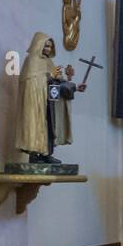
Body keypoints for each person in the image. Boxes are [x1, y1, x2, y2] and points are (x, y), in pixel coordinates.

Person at [17, 32, 84, 164]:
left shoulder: (48, 62)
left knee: (50, 127)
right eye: (45, 46)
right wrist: (47, 79)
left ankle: (47, 154)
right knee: (35, 127)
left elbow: (56, 81)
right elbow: (30, 82)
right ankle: (35, 155)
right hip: (35, 102)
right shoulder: (31, 61)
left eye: (50, 46)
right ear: (38, 45)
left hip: (48, 102)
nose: (48, 49)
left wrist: (75, 86)